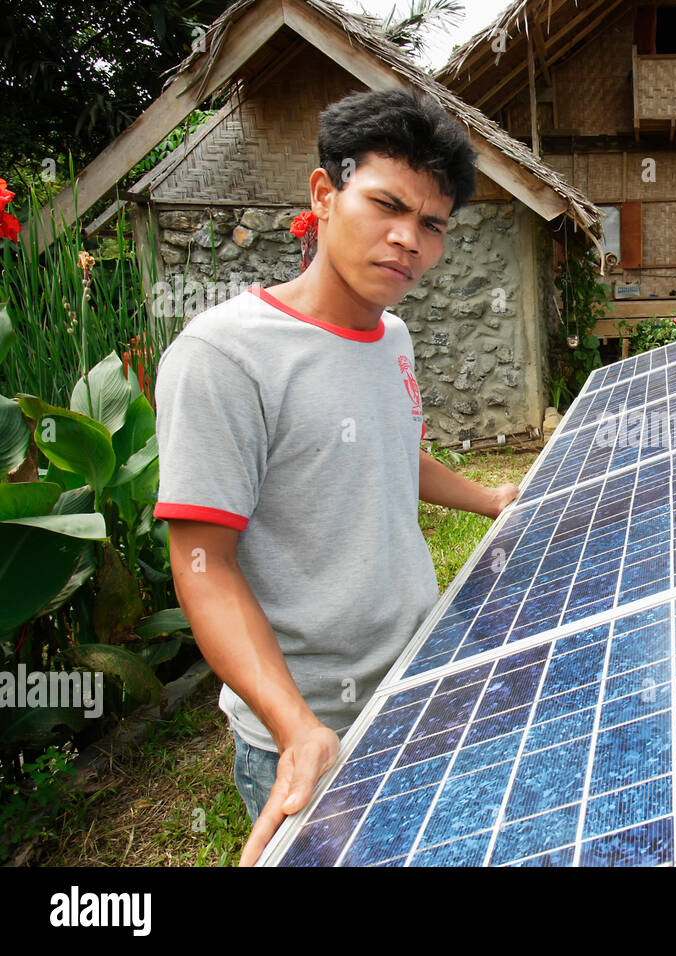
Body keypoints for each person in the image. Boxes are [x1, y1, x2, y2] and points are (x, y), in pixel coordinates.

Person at [153, 87, 520, 867]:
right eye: (385, 205)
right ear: (324, 194)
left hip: (416, 682)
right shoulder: (223, 356)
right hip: (315, 726)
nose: (407, 240)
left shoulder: (393, 335)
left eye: (431, 224)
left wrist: (489, 499)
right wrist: (295, 730)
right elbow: (202, 565)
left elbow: (387, 449)